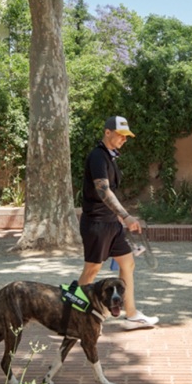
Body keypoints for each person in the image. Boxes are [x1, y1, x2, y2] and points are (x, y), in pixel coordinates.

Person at [78, 115, 158, 329]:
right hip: (96, 223)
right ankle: (72, 314)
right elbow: (103, 191)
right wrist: (125, 216)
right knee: (92, 270)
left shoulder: (110, 157)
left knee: (128, 262)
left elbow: (111, 192)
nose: (124, 139)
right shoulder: (98, 157)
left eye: (126, 136)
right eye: (121, 135)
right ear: (107, 132)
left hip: (111, 223)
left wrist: (120, 217)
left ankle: (131, 314)